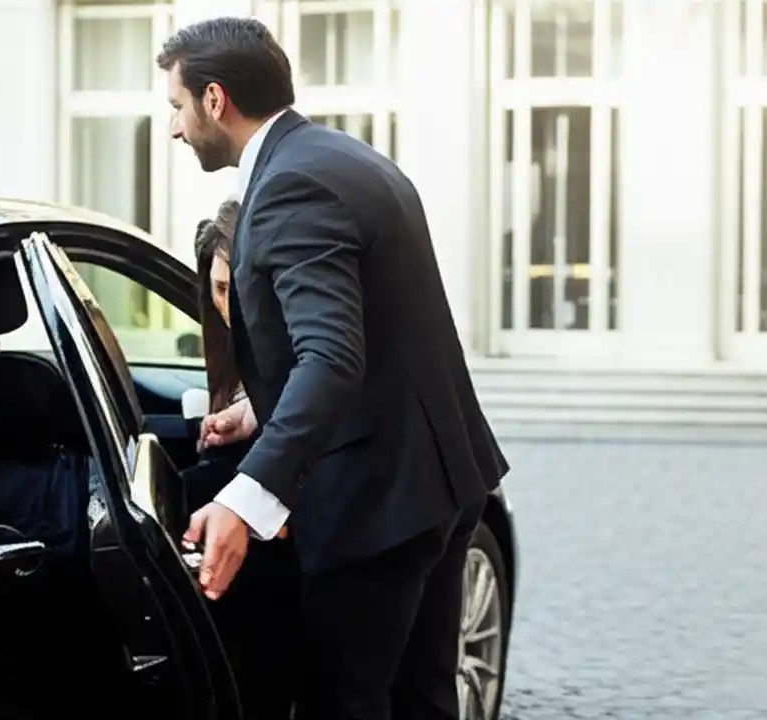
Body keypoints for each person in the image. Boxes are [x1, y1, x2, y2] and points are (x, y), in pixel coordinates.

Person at [157, 17, 510, 720]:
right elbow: (372, 330)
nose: (174, 127)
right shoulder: (349, 158)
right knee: (422, 699)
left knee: (344, 703)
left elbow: (332, 356)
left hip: (374, 500)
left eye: (176, 105)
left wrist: (246, 498)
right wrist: (263, 406)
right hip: (442, 479)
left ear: (216, 98)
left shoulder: (291, 189)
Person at [181, 197, 300, 720]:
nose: (231, 304)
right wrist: (245, 413)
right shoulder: (229, 343)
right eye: (221, 289)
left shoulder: (297, 329)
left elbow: (309, 403)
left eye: (240, 287)